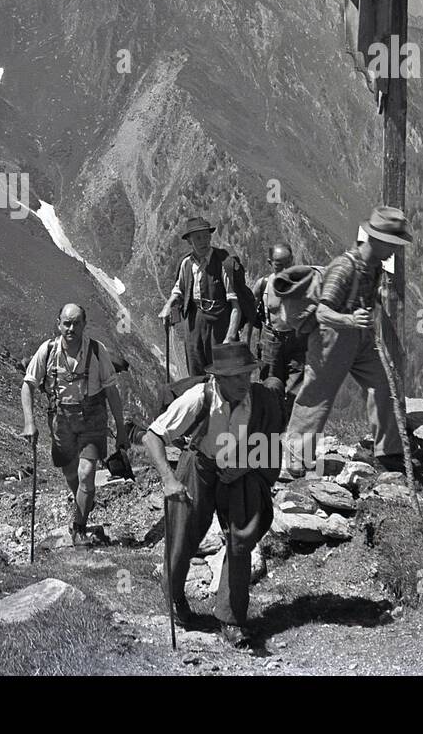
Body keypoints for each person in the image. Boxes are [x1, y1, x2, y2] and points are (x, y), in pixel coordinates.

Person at [142, 340, 284, 648]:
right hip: (200, 467)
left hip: (239, 472)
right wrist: (168, 480)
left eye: (248, 374)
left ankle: (231, 620)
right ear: (218, 378)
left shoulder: (260, 401)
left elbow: (271, 448)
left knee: (240, 540)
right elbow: (152, 435)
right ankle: (176, 599)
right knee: (183, 538)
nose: (244, 382)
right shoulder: (199, 397)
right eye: (236, 377)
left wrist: (246, 466)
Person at [283, 206, 413, 477]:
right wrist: (350, 321)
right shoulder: (342, 268)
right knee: (318, 394)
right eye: (393, 244)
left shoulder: (375, 265)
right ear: (377, 240)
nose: (395, 250)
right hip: (332, 337)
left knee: (382, 384)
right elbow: (322, 312)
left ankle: (389, 451)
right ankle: (295, 455)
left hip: (361, 337)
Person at [22, 304, 128, 546]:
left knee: (86, 473)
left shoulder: (97, 351)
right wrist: (29, 423)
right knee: (71, 473)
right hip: (61, 421)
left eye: (76, 323)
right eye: (66, 323)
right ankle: (83, 501)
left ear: (84, 324)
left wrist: (121, 429)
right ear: (58, 323)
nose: (71, 328)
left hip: (93, 419)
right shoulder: (48, 351)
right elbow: (28, 384)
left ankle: (78, 527)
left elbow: (111, 391)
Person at [159, 218, 250, 380]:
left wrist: (229, 336)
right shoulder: (186, 263)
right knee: (196, 372)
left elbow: (235, 306)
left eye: (206, 236)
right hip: (194, 326)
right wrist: (168, 306)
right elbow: (178, 290)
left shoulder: (223, 263)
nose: (203, 241)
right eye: (198, 238)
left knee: (224, 375)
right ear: (189, 241)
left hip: (219, 326)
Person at [249, 244, 309, 419]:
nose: (285, 269)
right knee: (270, 385)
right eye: (279, 265)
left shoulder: (302, 282)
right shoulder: (264, 285)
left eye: (288, 263)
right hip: (272, 340)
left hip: (297, 339)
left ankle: (290, 427)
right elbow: (251, 312)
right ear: (270, 263)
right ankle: (271, 426)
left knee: (297, 386)